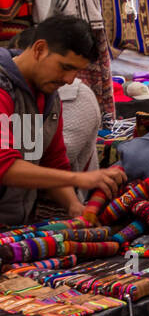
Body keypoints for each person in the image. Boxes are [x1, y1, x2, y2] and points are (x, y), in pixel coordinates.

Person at [0, 16, 126, 228]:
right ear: (39, 49)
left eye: (76, 71)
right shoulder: (3, 90)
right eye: (65, 67)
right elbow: (4, 166)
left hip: (12, 228)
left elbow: (52, 160)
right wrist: (78, 179)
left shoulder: (45, 96)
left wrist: (74, 205)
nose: (69, 79)